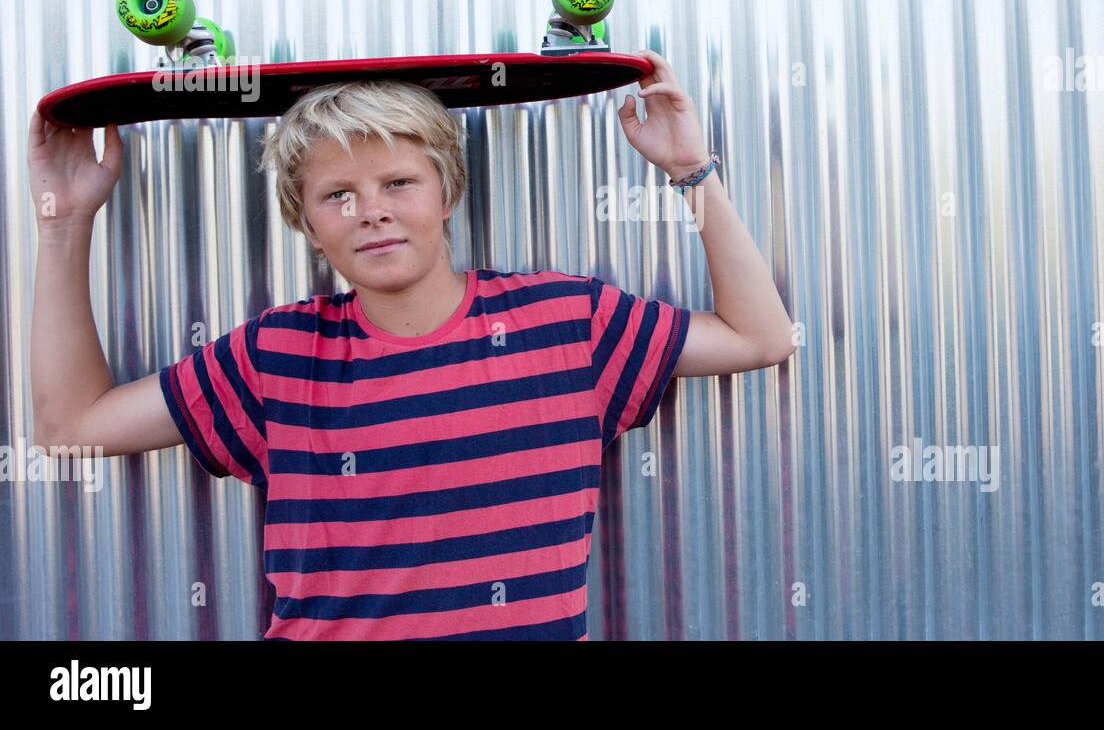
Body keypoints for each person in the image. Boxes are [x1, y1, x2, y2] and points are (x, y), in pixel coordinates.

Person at [26, 49, 795, 639]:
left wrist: (692, 171)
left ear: (447, 191)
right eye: (338, 196)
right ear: (307, 224)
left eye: (399, 183)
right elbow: (71, 426)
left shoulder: (567, 323)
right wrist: (65, 222)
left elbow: (759, 335)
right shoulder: (277, 357)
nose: (371, 212)